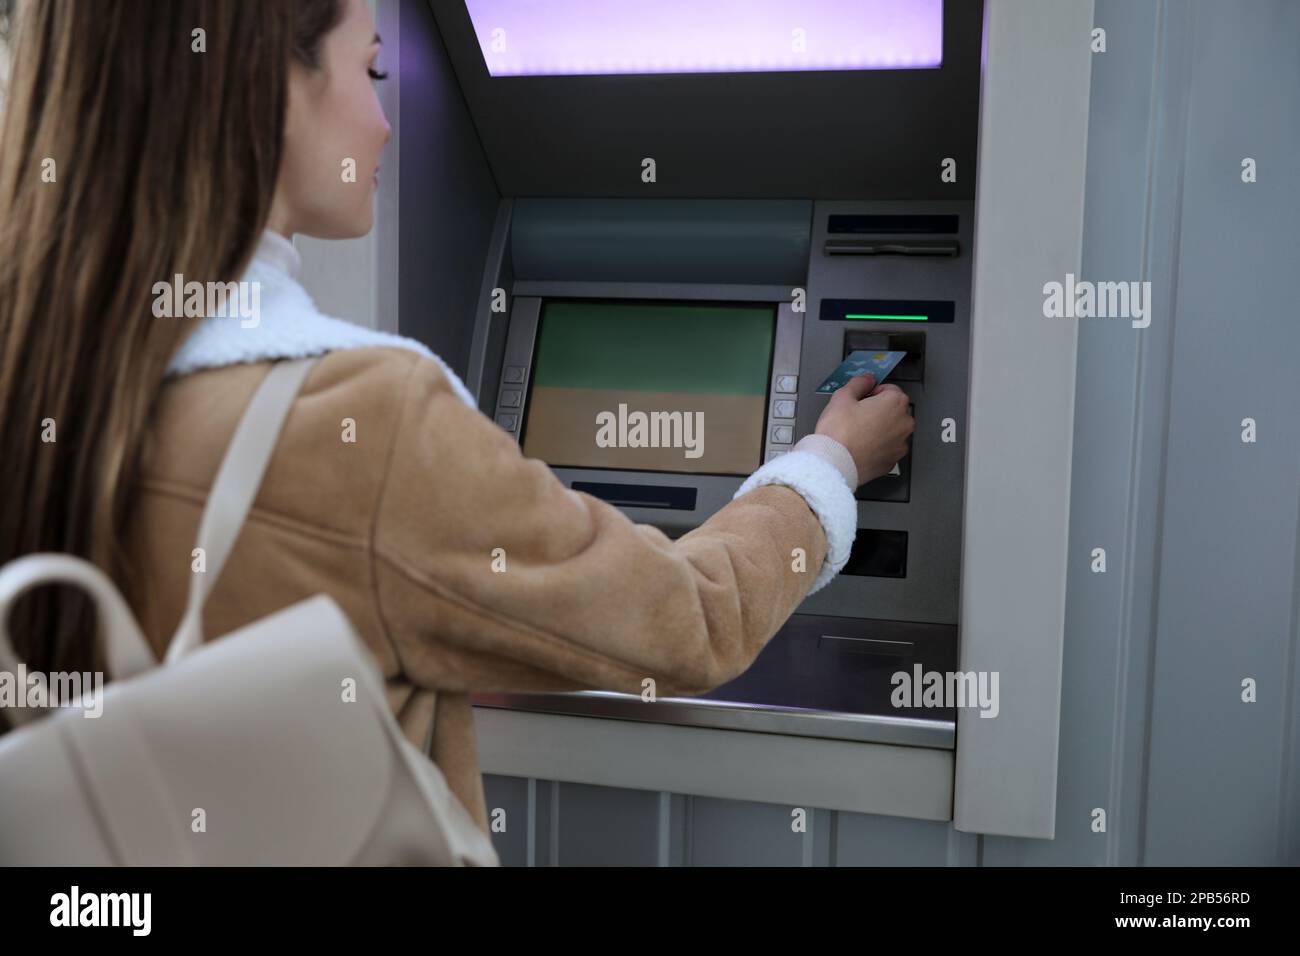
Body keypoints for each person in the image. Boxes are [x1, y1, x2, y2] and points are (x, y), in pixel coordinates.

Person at [0, 0, 913, 834]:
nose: (387, 122)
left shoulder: (39, 379)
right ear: (270, 91)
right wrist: (829, 464)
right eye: (371, 71)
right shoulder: (366, 423)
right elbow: (693, 621)